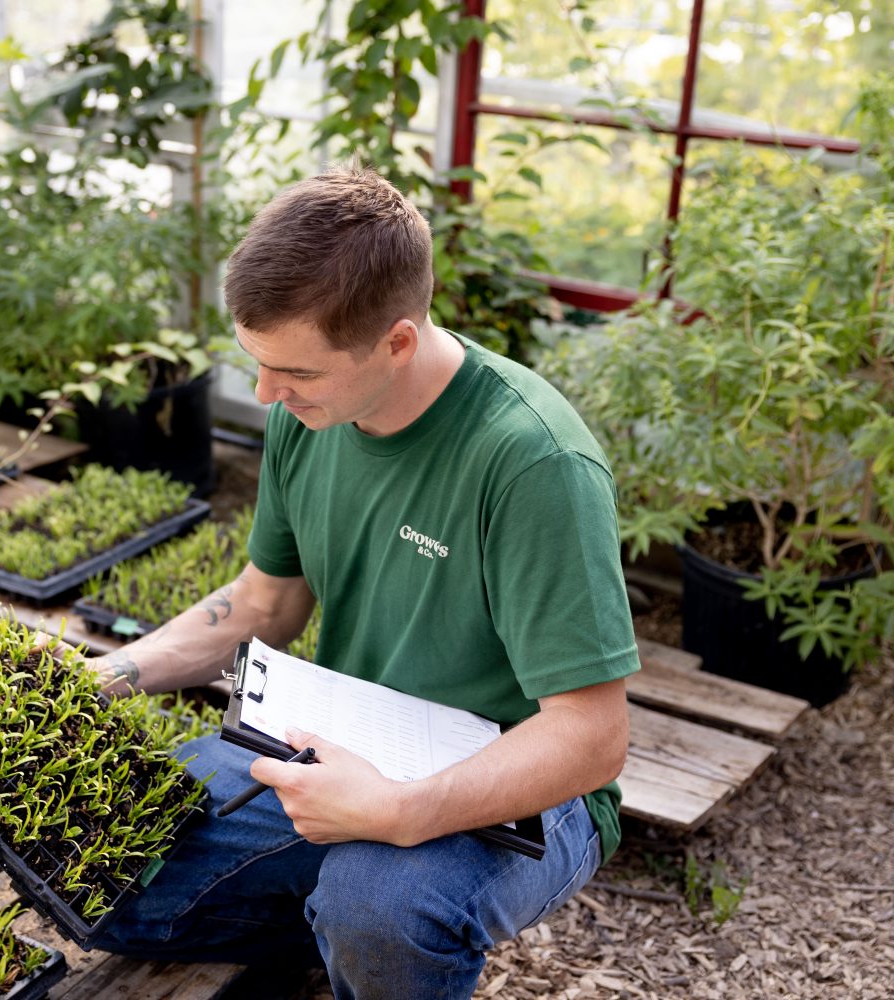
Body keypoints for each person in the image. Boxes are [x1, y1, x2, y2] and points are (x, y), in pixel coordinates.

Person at [86, 167, 639, 999]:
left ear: (398, 341)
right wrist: (110, 675)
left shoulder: (533, 464)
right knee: (109, 866)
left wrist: (397, 814)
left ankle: (372, 933)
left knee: (377, 907)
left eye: (297, 374)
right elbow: (265, 603)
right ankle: (337, 936)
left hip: (525, 783)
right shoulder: (309, 416)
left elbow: (592, 738)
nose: (268, 396)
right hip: (347, 734)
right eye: (258, 364)